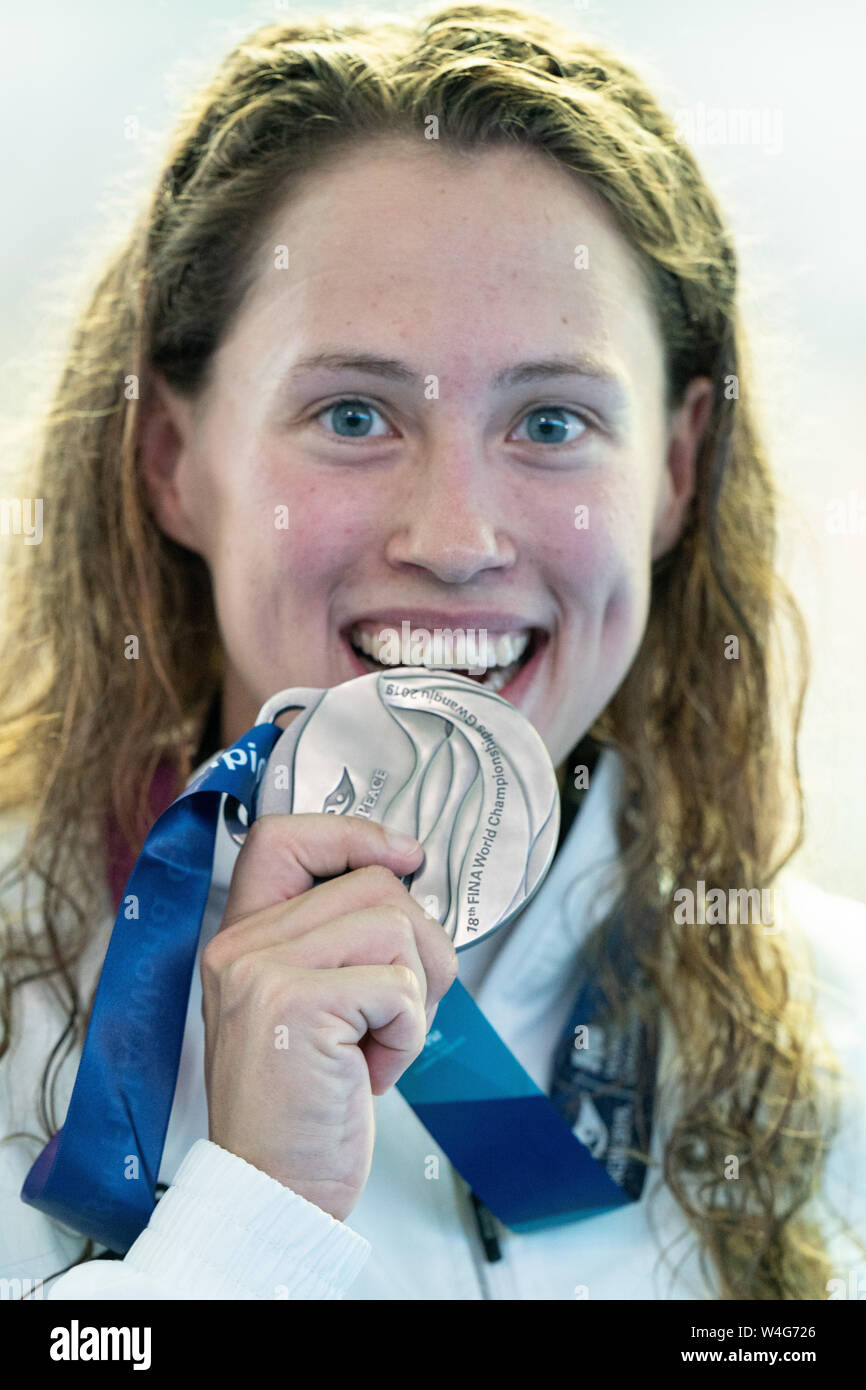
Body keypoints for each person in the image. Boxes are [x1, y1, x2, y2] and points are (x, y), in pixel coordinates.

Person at [1, 3, 864, 1301]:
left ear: (676, 468)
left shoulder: (841, 1037)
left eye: (553, 420)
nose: (456, 536)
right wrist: (246, 1226)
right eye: (353, 413)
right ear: (171, 458)